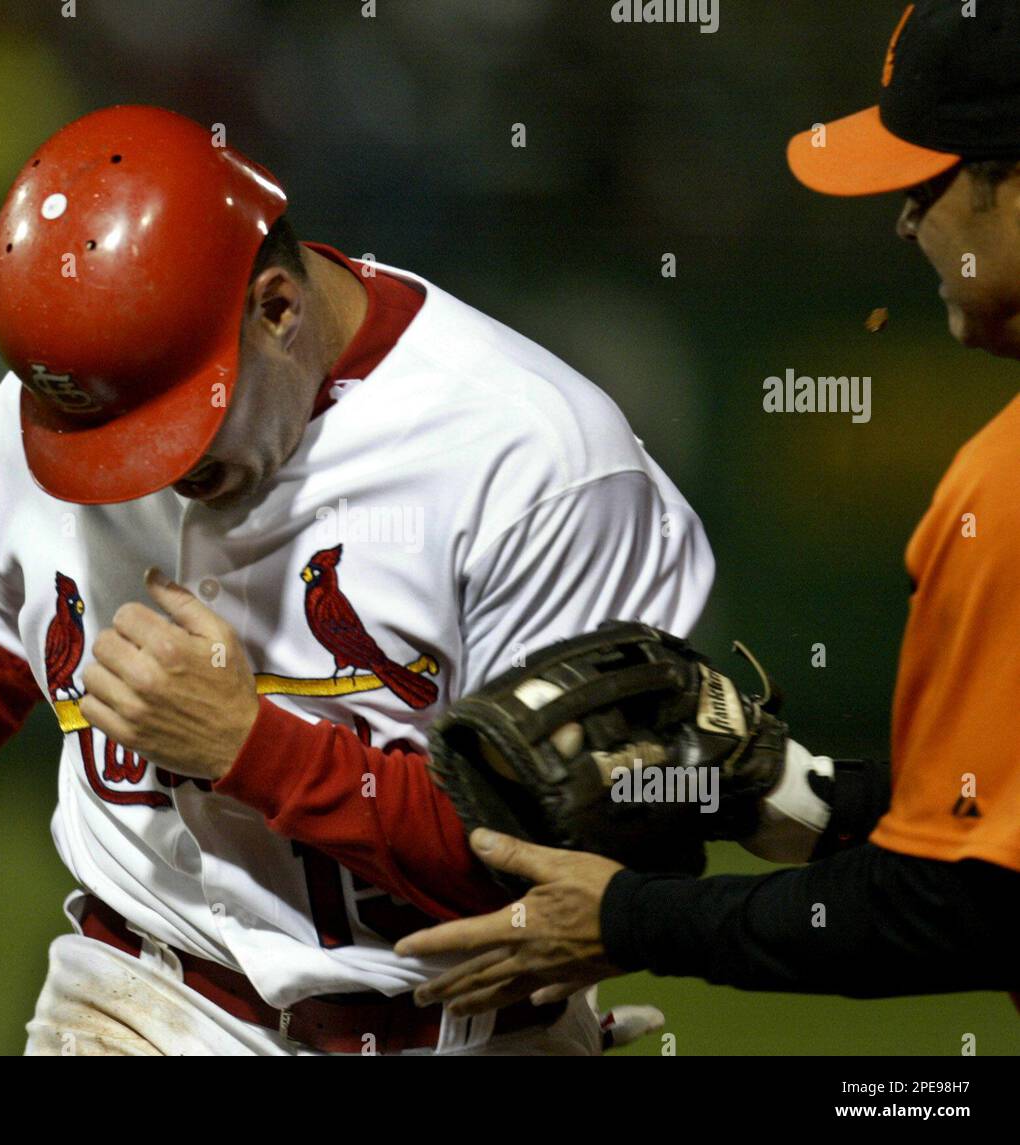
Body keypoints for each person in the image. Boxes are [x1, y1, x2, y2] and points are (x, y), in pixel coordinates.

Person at [0, 106, 714, 1055]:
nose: (143, 473)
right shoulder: (85, 395)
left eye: (175, 428)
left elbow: (568, 878)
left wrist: (249, 746)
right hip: (142, 997)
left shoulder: (535, 460)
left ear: (279, 309)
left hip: (472, 1023)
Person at [397, 0, 1020, 1015]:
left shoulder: (1004, 484)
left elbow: (954, 906)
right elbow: (986, 822)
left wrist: (629, 916)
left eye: (925, 178)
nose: (905, 217)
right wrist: (791, 786)